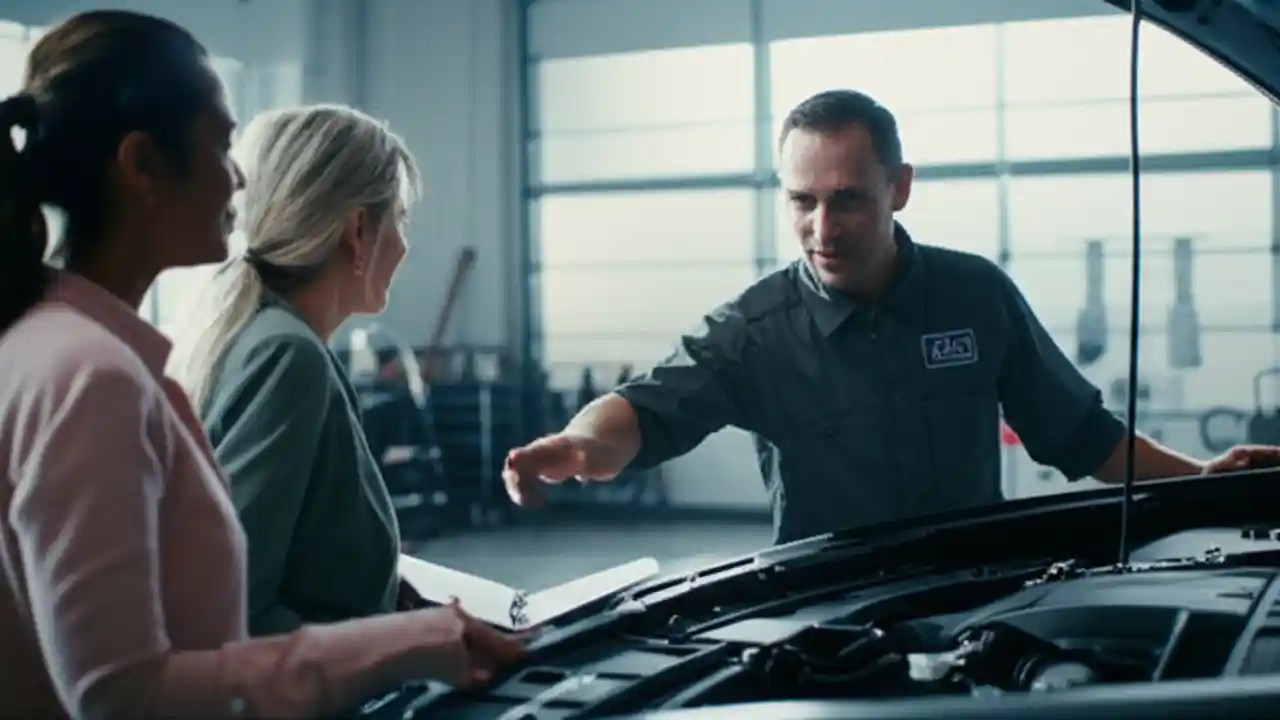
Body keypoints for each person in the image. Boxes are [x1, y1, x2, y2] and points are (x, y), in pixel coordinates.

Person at [0, 11, 522, 719]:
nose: (239, 178)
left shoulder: (63, 349)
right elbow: (122, 695)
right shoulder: (91, 376)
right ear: (143, 166)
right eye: (220, 145)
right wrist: (399, 644)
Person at [502, 88, 1280, 545]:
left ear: (899, 187)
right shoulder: (754, 331)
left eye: (847, 199)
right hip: (822, 611)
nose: (822, 229)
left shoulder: (976, 295)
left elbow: (1082, 434)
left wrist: (1200, 481)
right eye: (801, 202)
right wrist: (577, 443)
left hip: (978, 596)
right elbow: (642, 409)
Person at [166, 103, 426, 636]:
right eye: (398, 219)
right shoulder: (288, 357)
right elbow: (232, 612)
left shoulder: (252, 334)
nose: (405, 243)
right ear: (357, 230)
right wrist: (396, 644)